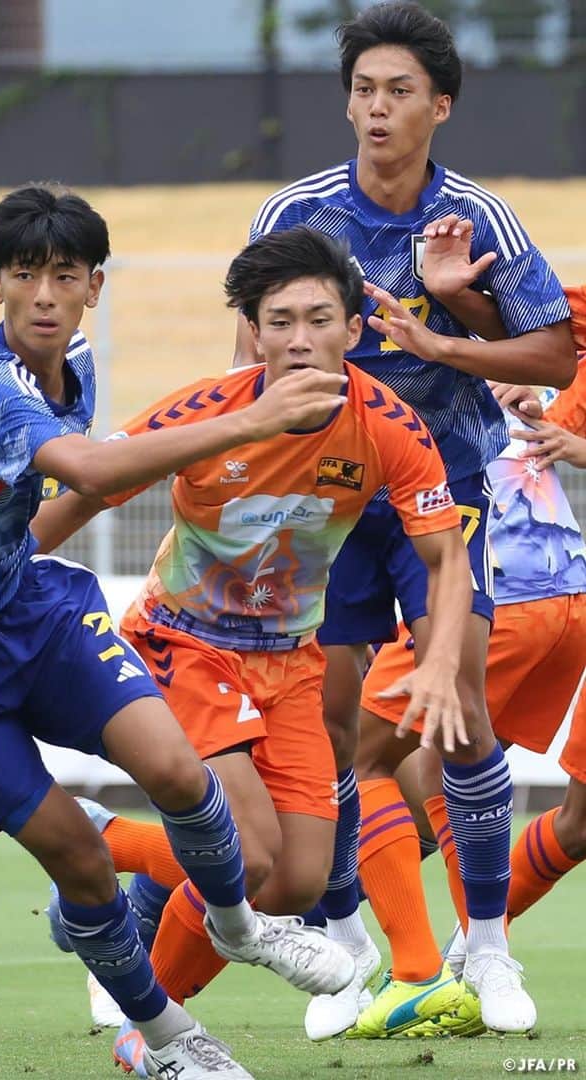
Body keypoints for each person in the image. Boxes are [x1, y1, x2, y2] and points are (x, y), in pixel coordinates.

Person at [0, 184, 357, 1080]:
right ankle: (166, 1039)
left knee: (173, 767)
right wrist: (255, 417)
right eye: (24, 277)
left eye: (64, 275)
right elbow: (85, 465)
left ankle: (238, 927)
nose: (44, 295)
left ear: (94, 286)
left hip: (31, 611)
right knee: (81, 866)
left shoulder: (63, 353)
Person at [30, 224, 473, 1072]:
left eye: (318, 318)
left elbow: (444, 556)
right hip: (183, 647)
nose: (299, 338)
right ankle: (153, 1027)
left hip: (292, 663)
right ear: (253, 330)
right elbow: (86, 486)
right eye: (279, 321)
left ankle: (99, 843)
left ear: (355, 328)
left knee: (295, 883)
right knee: (250, 851)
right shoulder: (206, 409)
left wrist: (443, 662)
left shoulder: (390, 428)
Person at [236, 0, 575, 1039]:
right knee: (338, 729)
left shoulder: (482, 221)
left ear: (441, 104)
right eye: (362, 89)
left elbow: (558, 357)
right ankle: (348, 940)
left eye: (397, 91)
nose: (376, 109)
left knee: (460, 711)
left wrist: (448, 348)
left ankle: (490, 946)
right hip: (324, 495)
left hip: (441, 489)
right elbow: (252, 354)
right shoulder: (299, 213)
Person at [349, 284, 586, 1037]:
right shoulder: (522, 328)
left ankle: (425, 967)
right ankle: (467, 959)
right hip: (559, 588)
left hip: (505, 584)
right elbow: (557, 334)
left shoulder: (400, 350)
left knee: (352, 769)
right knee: (437, 783)